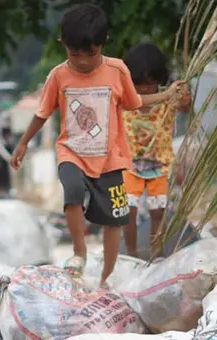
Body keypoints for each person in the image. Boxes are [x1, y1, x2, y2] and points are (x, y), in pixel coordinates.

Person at [10, 3, 185, 286]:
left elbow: (135, 102)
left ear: (103, 44)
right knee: (74, 189)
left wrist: (166, 96)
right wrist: (23, 143)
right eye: (73, 53)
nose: (81, 61)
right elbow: (43, 112)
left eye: (89, 54)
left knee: (116, 219)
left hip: (110, 160)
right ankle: (79, 252)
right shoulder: (58, 76)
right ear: (63, 44)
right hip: (72, 152)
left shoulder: (117, 71)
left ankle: (107, 277)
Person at [122, 42, 191, 258]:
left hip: (159, 166)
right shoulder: (124, 100)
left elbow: (185, 106)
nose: (143, 89)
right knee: (128, 211)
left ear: (159, 81)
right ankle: (131, 255)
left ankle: (157, 254)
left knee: (158, 212)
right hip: (129, 166)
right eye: (138, 84)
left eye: (149, 84)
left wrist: (186, 99)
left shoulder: (168, 100)